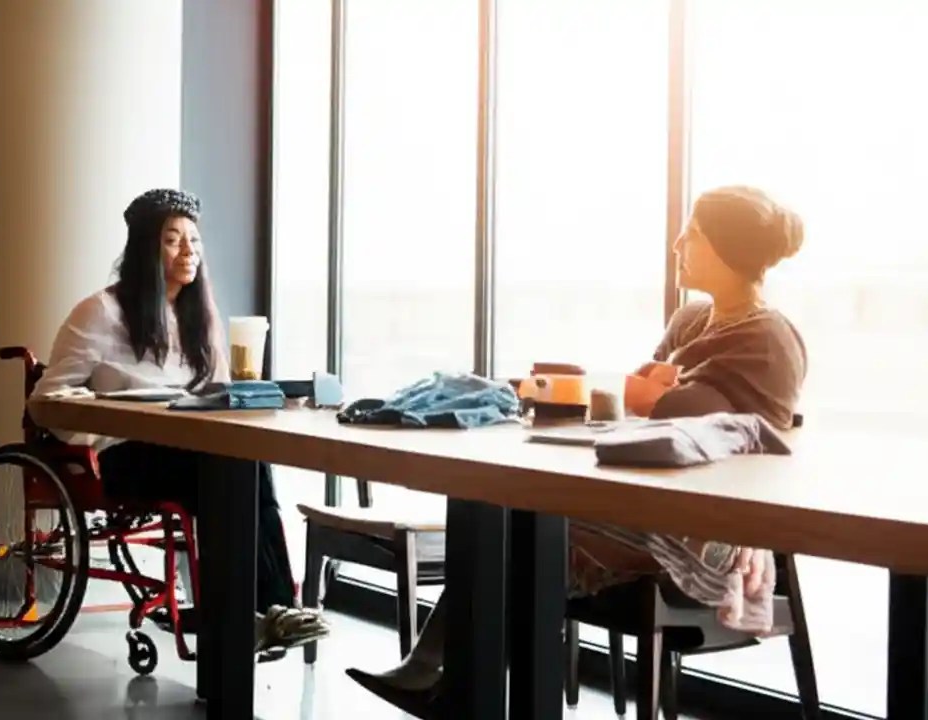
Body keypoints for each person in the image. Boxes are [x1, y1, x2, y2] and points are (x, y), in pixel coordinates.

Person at [346, 185, 807, 715]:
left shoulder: (770, 338)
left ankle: (453, 683)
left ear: (730, 248)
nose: (679, 243)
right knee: (515, 523)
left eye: (695, 234)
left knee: (532, 533)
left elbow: (713, 425)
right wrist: (655, 398)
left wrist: (659, 397)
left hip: (713, 531)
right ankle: (446, 678)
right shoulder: (690, 321)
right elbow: (644, 403)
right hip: (652, 504)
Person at [31, 188, 327, 653]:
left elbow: (219, 392)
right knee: (218, 467)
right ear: (146, 248)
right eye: (173, 240)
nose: (189, 251)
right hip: (121, 455)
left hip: (188, 448)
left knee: (248, 462)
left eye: (194, 240)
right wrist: (111, 412)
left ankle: (269, 608)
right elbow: (46, 401)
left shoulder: (198, 317)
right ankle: (241, 612)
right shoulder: (100, 312)